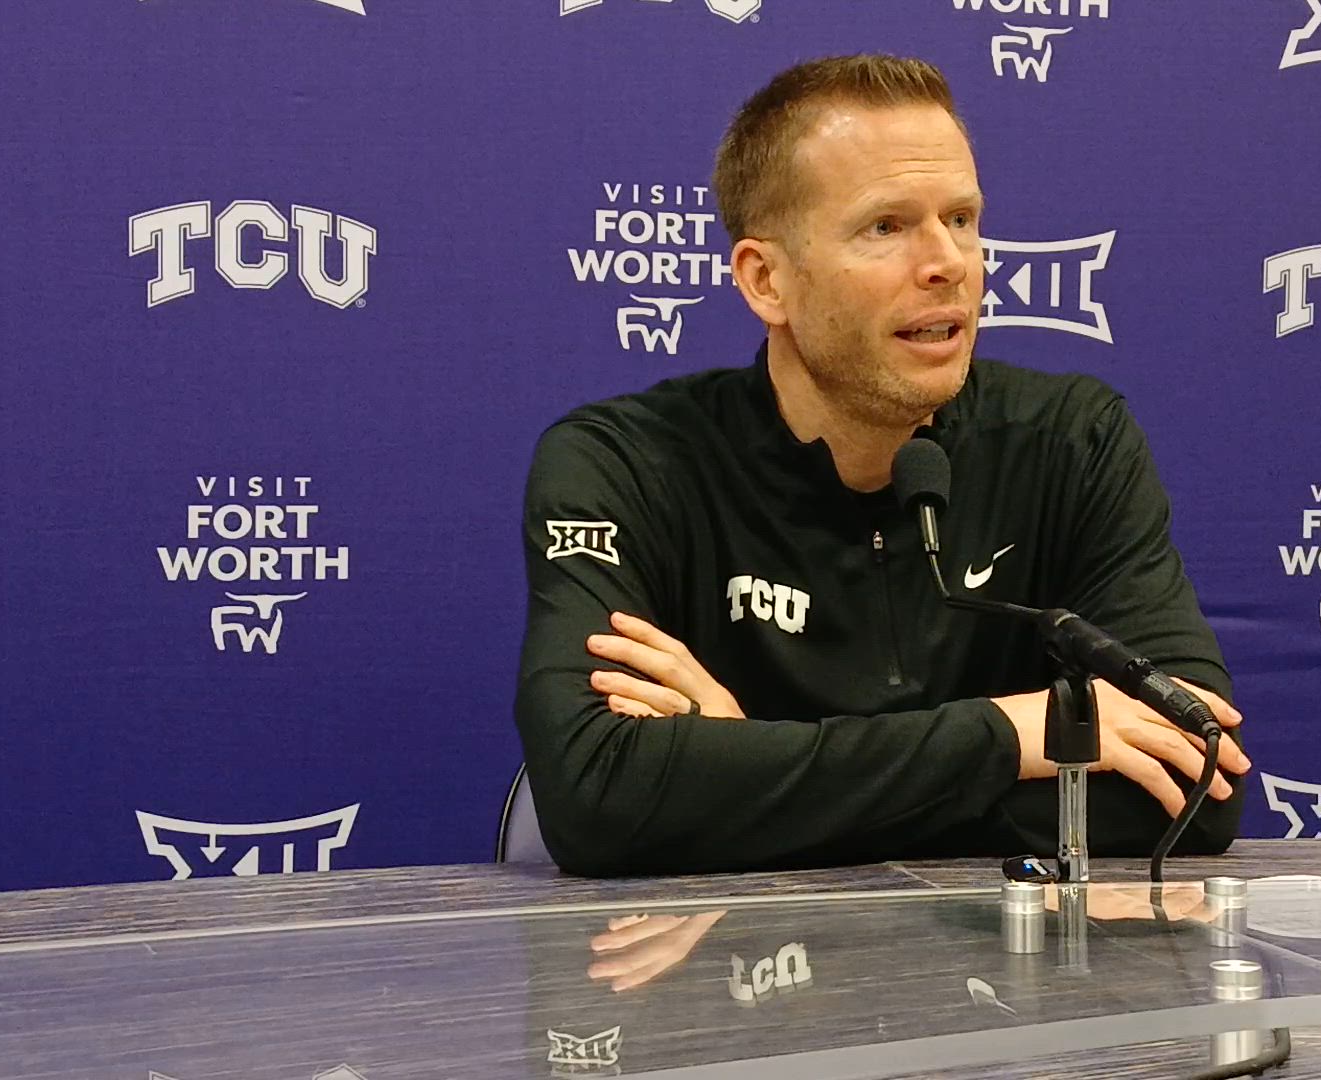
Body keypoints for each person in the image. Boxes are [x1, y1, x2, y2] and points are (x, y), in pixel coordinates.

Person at [514, 54, 1248, 877]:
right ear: (767, 281)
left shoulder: (1073, 441)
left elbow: (1196, 785)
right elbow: (599, 795)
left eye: (963, 218)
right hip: (720, 983)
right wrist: (1014, 737)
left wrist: (745, 770)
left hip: (1009, 991)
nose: (949, 264)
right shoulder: (622, 463)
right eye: (886, 227)